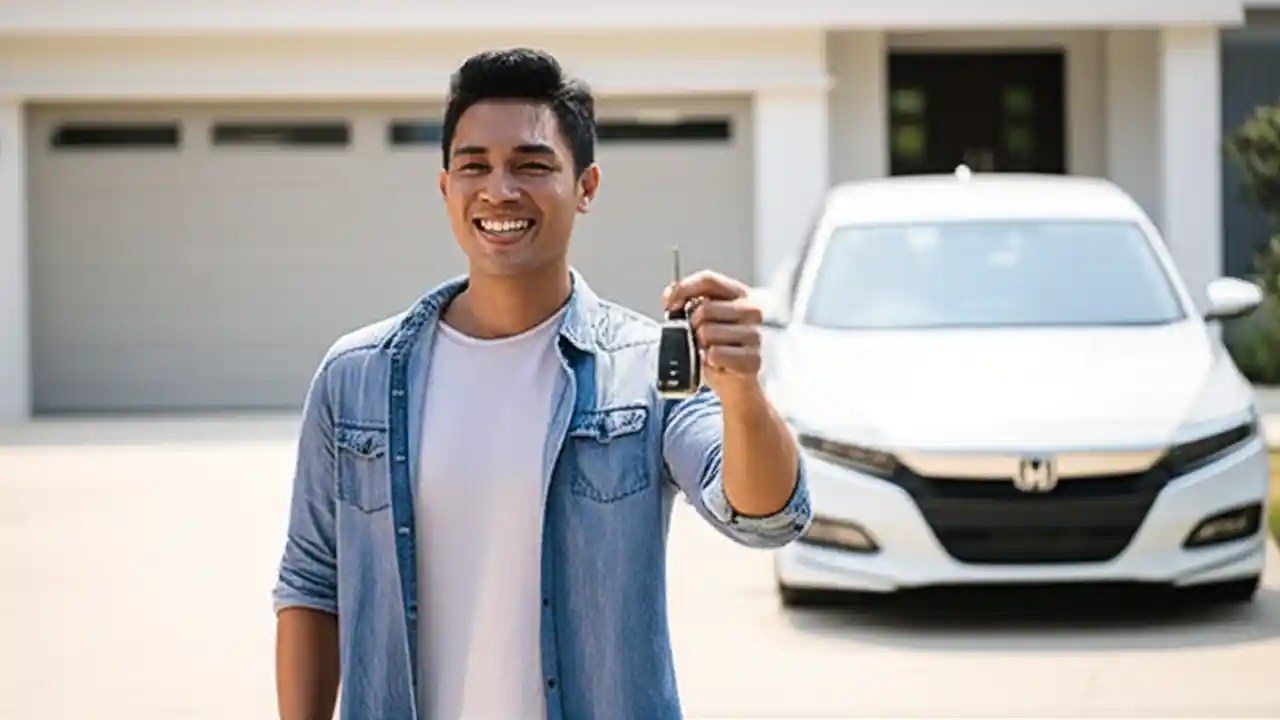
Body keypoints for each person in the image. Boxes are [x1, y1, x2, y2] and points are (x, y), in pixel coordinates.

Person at [272, 47, 812, 720]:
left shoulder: (643, 371)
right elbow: (311, 584)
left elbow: (766, 517)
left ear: (586, 188)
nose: (500, 190)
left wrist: (742, 395)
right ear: (446, 188)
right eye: (475, 166)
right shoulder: (356, 377)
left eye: (532, 165)